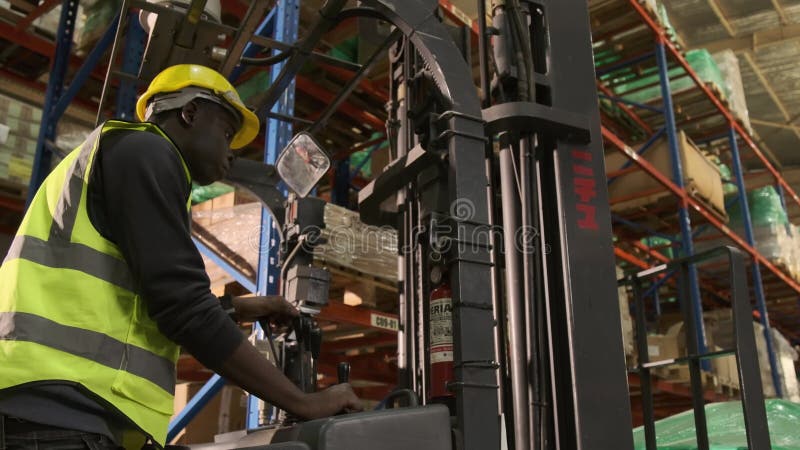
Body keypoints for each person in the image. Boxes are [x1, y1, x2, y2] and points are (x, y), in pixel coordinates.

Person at [0, 64, 362, 449]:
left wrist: (237, 307)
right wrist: (304, 402)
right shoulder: (145, 151)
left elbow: (139, 304)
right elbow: (184, 308)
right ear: (190, 113)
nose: (231, 154)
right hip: (61, 412)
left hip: (62, 405)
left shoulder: (125, 158)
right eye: (226, 134)